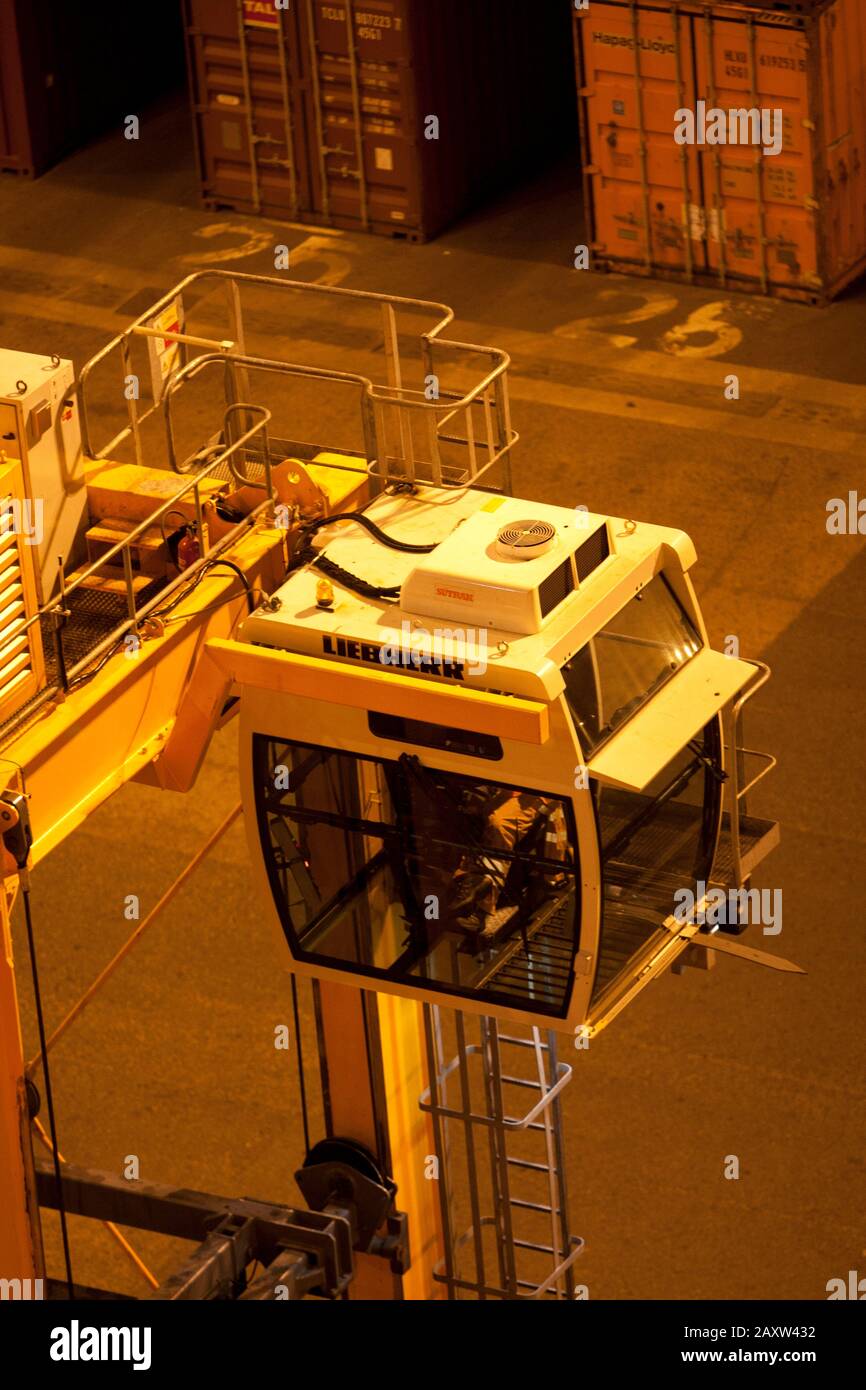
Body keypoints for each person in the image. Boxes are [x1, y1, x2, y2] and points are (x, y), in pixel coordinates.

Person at [447, 786, 569, 942]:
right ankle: (467, 887)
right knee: (473, 823)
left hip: (531, 789)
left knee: (499, 828)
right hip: (502, 784)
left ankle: (480, 910)